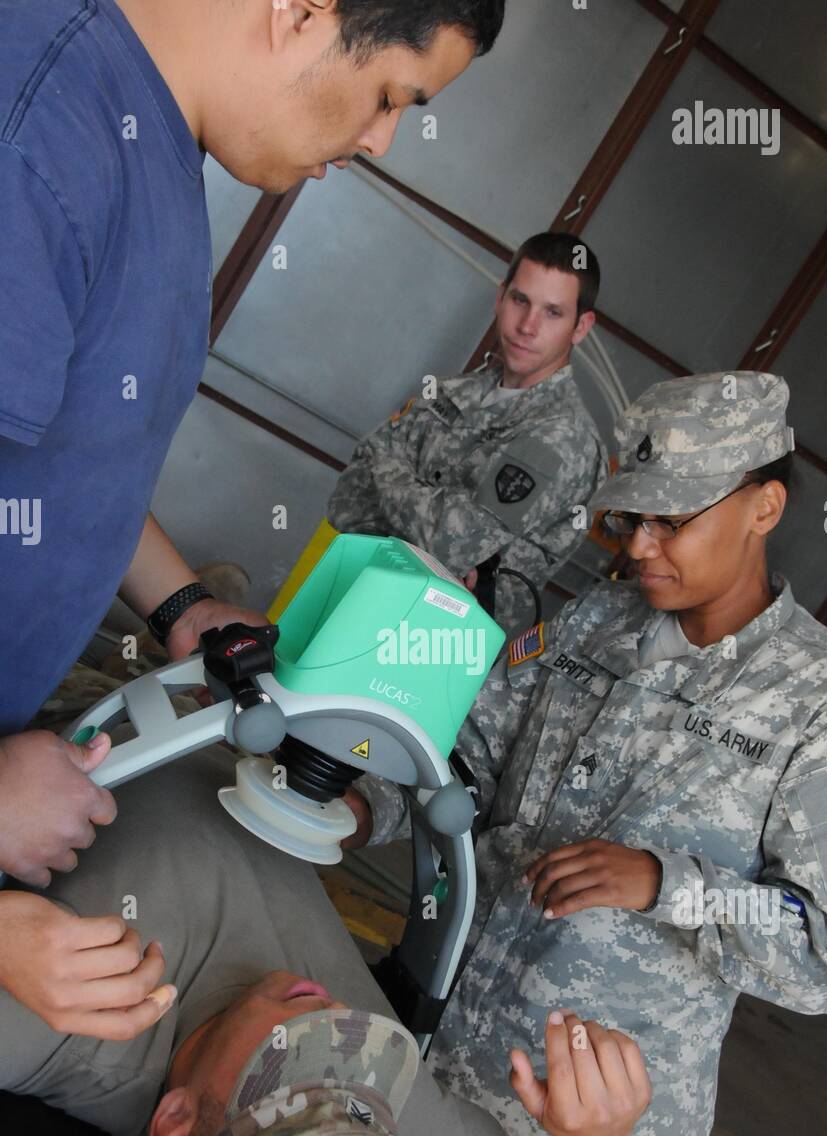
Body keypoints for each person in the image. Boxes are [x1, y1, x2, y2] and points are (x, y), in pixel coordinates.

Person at [343, 371, 827, 1136]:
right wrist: (358, 808)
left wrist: (665, 883)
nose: (640, 548)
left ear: (764, 505)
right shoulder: (592, 622)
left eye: (670, 521)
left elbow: (824, 950)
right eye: (629, 522)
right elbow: (469, 757)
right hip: (426, 1047)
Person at [0, 1, 506, 928]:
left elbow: (70, 466)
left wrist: (182, 605)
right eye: (389, 96)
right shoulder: (37, 128)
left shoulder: (155, 147)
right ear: (303, 10)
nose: (383, 140)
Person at [0, 748, 651, 1136]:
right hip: (251, 729)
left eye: (297, 1076)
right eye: (354, 1092)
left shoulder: (54, 1027)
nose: (336, 1025)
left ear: (173, 1119)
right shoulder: (370, 1131)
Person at [328, 232, 608, 635]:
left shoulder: (563, 438)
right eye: (520, 300)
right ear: (500, 297)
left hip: (430, 645)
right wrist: (428, 523)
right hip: (355, 597)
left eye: (553, 313)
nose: (528, 326)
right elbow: (345, 501)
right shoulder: (456, 391)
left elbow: (447, 543)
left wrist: (387, 470)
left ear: (581, 326)